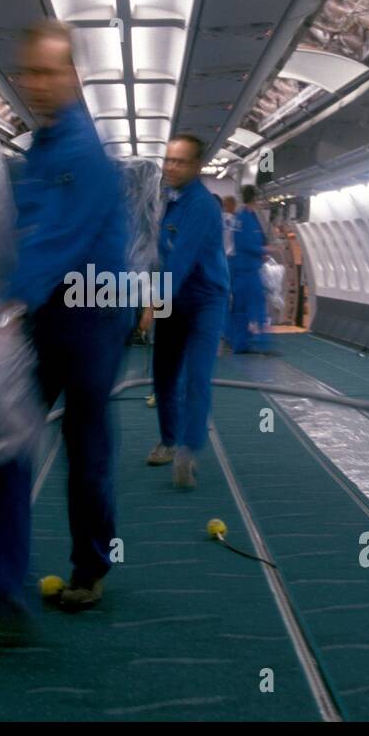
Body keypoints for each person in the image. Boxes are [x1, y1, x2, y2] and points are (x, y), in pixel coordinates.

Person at [0, 19, 128, 614]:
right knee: (4, 437)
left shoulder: (85, 154)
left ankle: (90, 568)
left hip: (90, 314)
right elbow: (21, 234)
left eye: (47, 71)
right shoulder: (38, 151)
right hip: (41, 309)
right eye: (27, 72)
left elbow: (60, 239)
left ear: (73, 76)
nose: (34, 83)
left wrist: (8, 307)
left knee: (85, 446)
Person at [141, 135, 230, 489]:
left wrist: (151, 305)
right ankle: (168, 439)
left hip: (205, 300)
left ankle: (188, 450)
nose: (171, 167)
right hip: (172, 299)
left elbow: (180, 261)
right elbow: (154, 250)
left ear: (197, 166)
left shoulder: (202, 206)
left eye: (180, 161)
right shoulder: (165, 200)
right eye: (168, 160)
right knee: (164, 374)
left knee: (196, 376)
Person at [227, 185, 276, 354]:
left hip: (241, 269)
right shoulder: (246, 218)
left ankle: (240, 345)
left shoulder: (242, 217)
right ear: (254, 198)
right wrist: (265, 250)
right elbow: (247, 244)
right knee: (258, 307)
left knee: (240, 310)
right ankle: (263, 344)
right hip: (247, 271)